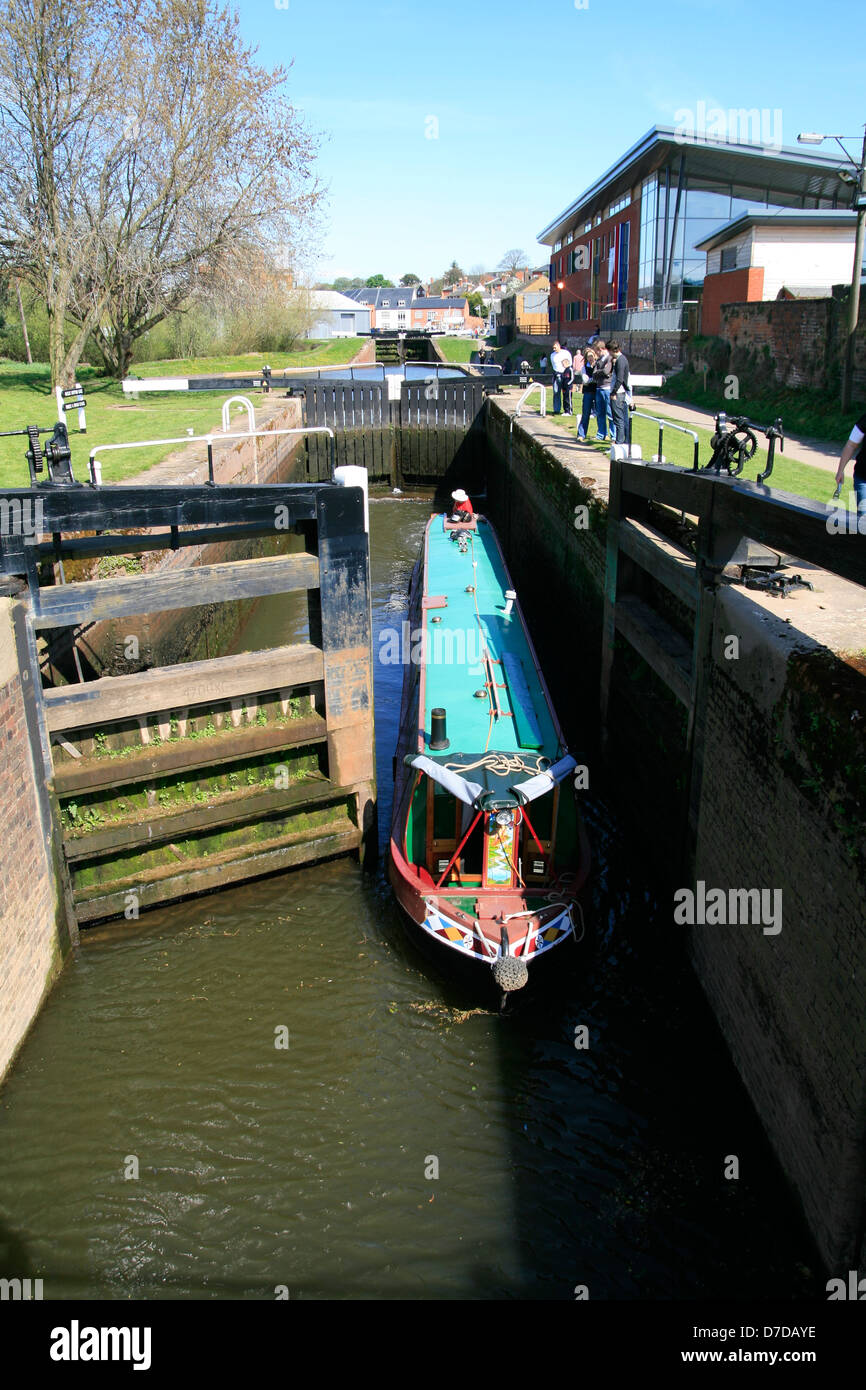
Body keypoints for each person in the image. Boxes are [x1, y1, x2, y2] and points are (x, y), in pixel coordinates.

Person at [835, 416, 866, 515]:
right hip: (863, 478)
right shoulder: (864, 420)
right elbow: (851, 445)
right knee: (863, 518)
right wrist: (840, 470)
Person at [609, 342, 631, 447]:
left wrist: (613, 392)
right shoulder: (620, 360)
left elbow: (620, 379)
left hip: (618, 394)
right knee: (621, 419)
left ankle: (619, 443)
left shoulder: (620, 361)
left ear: (612, 350)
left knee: (618, 420)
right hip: (620, 392)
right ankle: (623, 442)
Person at [592, 339, 614, 442]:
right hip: (599, 388)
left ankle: (613, 435)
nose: (596, 353)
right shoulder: (599, 360)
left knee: (610, 413)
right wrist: (600, 372)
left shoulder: (609, 358)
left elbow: (606, 371)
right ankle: (601, 434)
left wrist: (599, 372)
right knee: (600, 413)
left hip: (607, 388)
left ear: (601, 349)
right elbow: (594, 373)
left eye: (597, 351)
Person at [577, 344, 597, 442]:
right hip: (588, 392)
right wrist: (594, 379)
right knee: (585, 413)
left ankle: (602, 434)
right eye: (588, 356)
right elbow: (585, 380)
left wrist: (591, 380)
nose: (590, 358)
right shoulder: (584, 368)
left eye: (591, 356)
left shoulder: (598, 365)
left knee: (601, 414)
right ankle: (581, 434)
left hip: (597, 391)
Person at [549, 340, 573, 415]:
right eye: (553, 348)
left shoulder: (566, 353)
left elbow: (570, 363)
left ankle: (567, 410)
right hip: (557, 374)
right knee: (556, 392)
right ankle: (557, 409)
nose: (554, 349)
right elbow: (553, 365)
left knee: (566, 394)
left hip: (565, 375)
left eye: (555, 347)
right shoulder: (552, 355)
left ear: (558, 346)